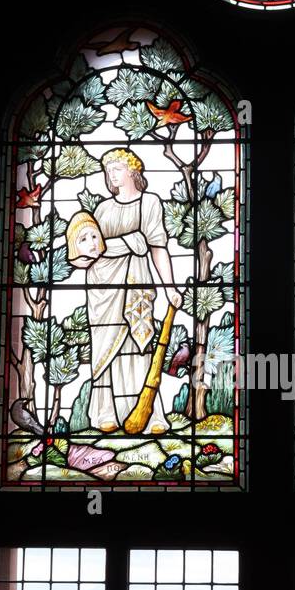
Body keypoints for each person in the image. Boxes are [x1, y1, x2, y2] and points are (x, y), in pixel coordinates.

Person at [66, 148, 182, 434]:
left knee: (140, 345)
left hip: (138, 285)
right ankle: (104, 412)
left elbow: (158, 248)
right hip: (103, 287)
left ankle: (151, 414)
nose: (111, 175)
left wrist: (170, 288)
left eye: (116, 168)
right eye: (108, 171)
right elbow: (89, 248)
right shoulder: (103, 209)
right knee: (106, 347)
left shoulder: (150, 203)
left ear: (133, 170)